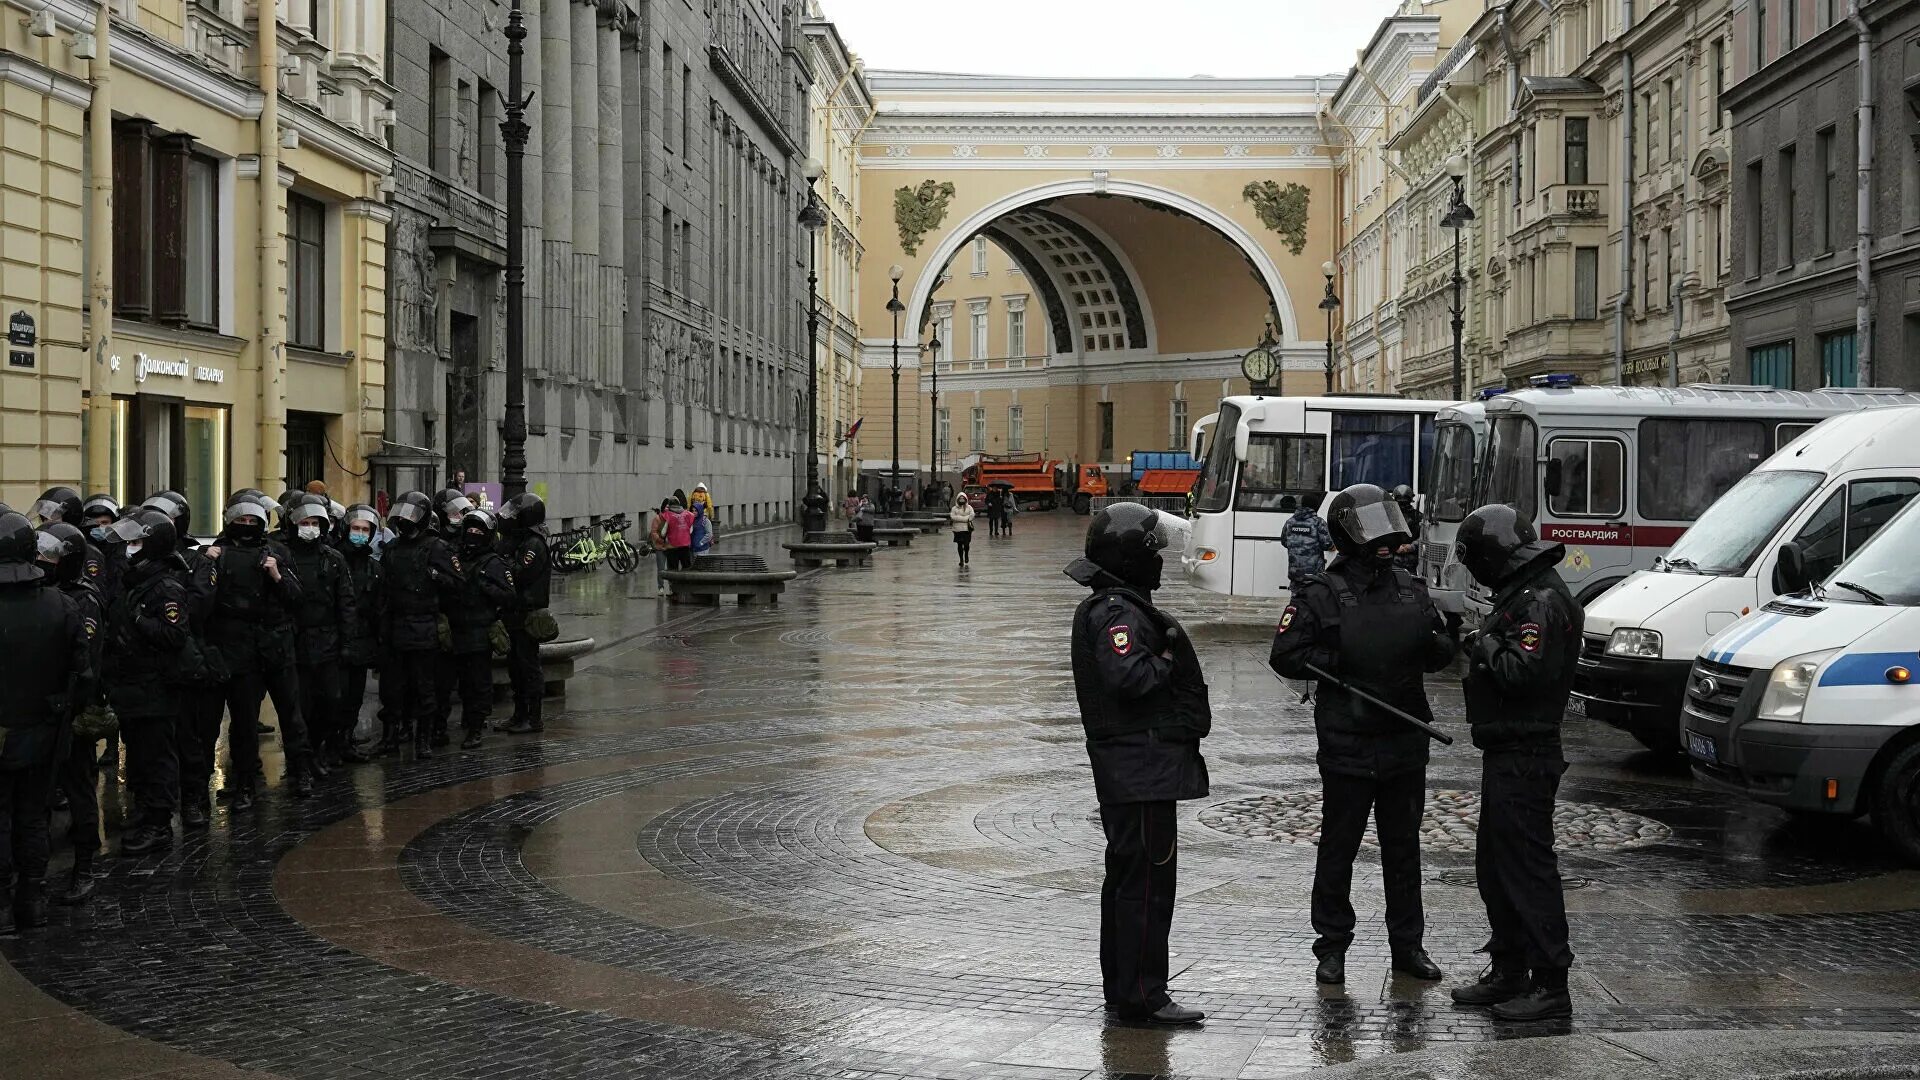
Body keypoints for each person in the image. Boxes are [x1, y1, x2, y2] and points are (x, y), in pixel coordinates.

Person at [1269, 483, 1454, 987]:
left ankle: (1408, 947)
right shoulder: (1321, 593)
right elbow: (1285, 654)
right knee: (1339, 848)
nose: (1387, 545)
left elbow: (1438, 650)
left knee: (1403, 850)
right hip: (1348, 742)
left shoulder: (1410, 588)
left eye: (1390, 533)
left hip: (1403, 739)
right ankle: (1332, 947)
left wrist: (1439, 643)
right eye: (1374, 533)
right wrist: (1340, 661)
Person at [1065, 503, 1210, 1026]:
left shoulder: (1113, 606)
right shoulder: (1118, 613)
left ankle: (1126, 988)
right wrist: (1167, 657)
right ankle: (1144, 996)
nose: (1160, 560)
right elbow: (1129, 678)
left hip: (1137, 767)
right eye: (1153, 551)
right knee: (1146, 887)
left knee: (1130, 882)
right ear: (1130, 559)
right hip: (1140, 767)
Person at [1448, 504, 1583, 1022]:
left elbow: (1522, 672)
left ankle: (1550, 983)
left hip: (1526, 753)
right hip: (1507, 749)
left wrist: (1482, 643)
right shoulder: (1525, 594)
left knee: (1527, 871)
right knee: (1496, 868)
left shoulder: (1539, 602)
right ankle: (1510, 968)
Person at [0, 511, 91, 931]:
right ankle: (31, 899)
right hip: (43, 732)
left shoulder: (61, 604)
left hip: (20, 731)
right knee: (33, 815)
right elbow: (82, 675)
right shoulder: (63, 605)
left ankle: (5, 902)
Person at [202, 494, 314, 806]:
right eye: (242, 520)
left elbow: (297, 597)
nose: (247, 525)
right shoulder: (217, 552)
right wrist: (207, 562)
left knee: (291, 714)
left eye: (253, 521)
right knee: (244, 721)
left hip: (276, 645)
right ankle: (244, 782)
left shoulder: (277, 552)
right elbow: (202, 599)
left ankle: (301, 771)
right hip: (238, 649)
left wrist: (277, 575)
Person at [101, 506, 191, 854]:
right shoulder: (136, 580)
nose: (129, 549)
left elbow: (175, 636)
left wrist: (140, 621)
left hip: (156, 687)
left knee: (157, 756)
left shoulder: (166, 586)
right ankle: (144, 809)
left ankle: (159, 824)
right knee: (138, 754)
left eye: (136, 542)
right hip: (133, 685)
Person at [35, 523, 105, 902]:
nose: (41, 561)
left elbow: (84, 662)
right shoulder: (40, 593)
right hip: (41, 710)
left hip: (73, 711)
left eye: (48, 556)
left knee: (79, 789)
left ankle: (85, 867)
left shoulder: (83, 600)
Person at [377, 492, 461, 759]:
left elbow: (456, 585)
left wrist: (435, 577)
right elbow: (383, 588)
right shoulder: (393, 548)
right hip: (396, 626)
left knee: (425, 686)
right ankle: (390, 737)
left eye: (411, 514)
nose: (405, 519)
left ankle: (423, 739)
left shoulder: (437, 547)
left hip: (424, 626)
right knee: (392, 688)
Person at [285, 497, 357, 773]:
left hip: (328, 640)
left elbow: (346, 602)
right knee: (300, 705)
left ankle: (316, 748)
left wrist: (347, 642)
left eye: (314, 523)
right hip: (295, 641)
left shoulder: (333, 559)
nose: (310, 528)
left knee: (331, 701)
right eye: (304, 523)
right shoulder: (285, 555)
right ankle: (301, 759)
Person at [444, 507, 515, 749]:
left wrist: (485, 588)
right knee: (460, 682)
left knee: (478, 683)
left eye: (478, 531)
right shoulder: (457, 557)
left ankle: (476, 726)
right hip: (456, 629)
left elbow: (509, 595)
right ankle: (465, 719)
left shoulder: (493, 563)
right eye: (470, 530)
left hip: (479, 631)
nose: (473, 535)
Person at [496, 493, 552, 735]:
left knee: (528, 667)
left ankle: (534, 717)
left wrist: (502, 563)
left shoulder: (533, 544)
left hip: (527, 614)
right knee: (515, 667)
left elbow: (519, 574)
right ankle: (519, 714)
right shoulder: (517, 541)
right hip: (513, 612)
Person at [336, 504, 383, 762]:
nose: (360, 534)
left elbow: (378, 606)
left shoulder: (373, 567)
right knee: (335, 695)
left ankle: (346, 739)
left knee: (355, 695)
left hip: (362, 640)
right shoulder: (335, 559)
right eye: (356, 528)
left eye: (365, 530)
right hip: (336, 640)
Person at [1282, 493, 1334, 596]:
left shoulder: (1290, 522)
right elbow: (1328, 544)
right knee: (1314, 599)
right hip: (1314, 573)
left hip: (1295, 572)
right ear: (1315, 506)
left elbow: (1284, 541)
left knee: (1296, 599)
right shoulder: (1318, 522)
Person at [1390, 484, 1423, 574]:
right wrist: (1394, 546)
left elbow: (1424, 536)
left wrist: (1411, 546)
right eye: (1400, 503)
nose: (1402, 506)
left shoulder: (1419, 517)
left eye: (1405, 502)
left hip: (1412, 560)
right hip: (1393, 559)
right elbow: (1384, 536)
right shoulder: (1389, 517)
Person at [661, 497, 695, 571]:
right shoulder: (688, 514)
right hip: (685, 546)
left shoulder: (667, 515)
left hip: (672, 547)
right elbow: (690, 531)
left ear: (669, 505)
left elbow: (663, 533)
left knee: (673, 569)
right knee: (686, 568)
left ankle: (674, 578)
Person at [947, 492, 976, 567]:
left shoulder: (969, 507)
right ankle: (961, 559)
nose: (962, 500)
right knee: (959, 544)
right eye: (960, 498)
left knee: (966, 544)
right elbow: (953, 517)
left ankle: (966, 555)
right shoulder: (954, 508)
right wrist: (965, 518)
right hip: (958, 530)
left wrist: (960, 518)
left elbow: (972, 516)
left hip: (967, 529)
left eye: (963, 498)